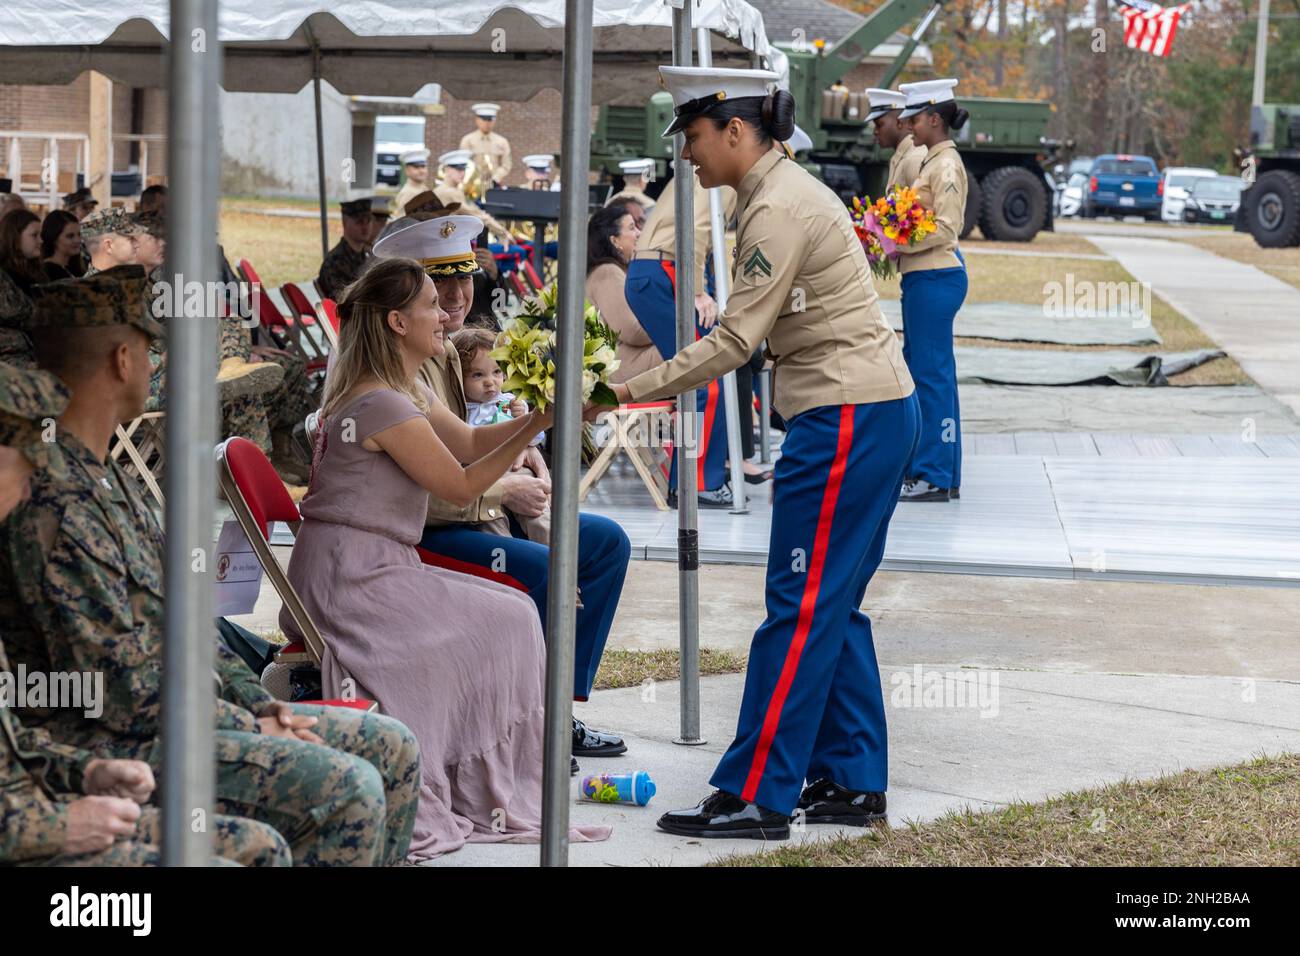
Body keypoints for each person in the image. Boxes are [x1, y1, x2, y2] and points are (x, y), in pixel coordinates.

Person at [595, 65, 919, 839]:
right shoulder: (776, 193)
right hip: (866, 408)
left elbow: (736, 342)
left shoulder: (775, 208)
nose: (689, 157)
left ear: (736, 130)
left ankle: (757, 795)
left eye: (696, 138)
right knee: (831, 603)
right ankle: (849, 777)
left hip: (845, 415)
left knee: (798, 607)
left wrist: (619, 393)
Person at [0, 267, 416, 866]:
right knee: (348, 788)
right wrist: (244, 720)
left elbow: (189, 625)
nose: (156, 366)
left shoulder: (112, 474)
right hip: (114, 739)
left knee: (391, 745)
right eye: (153, 349)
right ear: (123, 359)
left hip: (176, 716)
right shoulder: (53, 500)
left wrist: (261, 703)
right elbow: (117, 687)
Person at [287, 255, 611, 859]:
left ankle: (483, 781)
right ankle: (479, 784)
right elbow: (461, 486)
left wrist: (543, 411)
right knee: (512, 615)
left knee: (510, 606)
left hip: (368, 562)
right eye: (431, 305)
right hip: (351, 575)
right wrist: (544, 415)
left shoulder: (401, 388)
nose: (445, 316)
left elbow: (466, 442)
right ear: (395, 323)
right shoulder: (380, 402)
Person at [0, 361, 291, 867]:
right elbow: (119, 686)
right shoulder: (54, 512)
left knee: (261, 848)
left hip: (42, 796)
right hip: (34, 818)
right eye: (23, 465)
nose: (30, 486)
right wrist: (53, 824)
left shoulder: (108, 478)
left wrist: (84, 775)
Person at [373, 215, 629, 753]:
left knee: (606, 544)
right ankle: (523, 719)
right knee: (544, 568)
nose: (454, 294)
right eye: (436, 283)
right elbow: (427, 483)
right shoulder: (400, 370)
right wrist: (505, 490)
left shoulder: (446, 350)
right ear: (404, 298)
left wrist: (533, 438)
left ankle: (557, 707)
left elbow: (468, 441)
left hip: (469, 512)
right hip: (421, 531)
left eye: (463, 277)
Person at [623, 167, 737, 506]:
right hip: (667, 269)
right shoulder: (725, 173)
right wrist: (698, 290)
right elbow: (699, 229)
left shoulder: (703, 164)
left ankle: (695, 477)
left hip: (653, 270)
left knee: (698, 376)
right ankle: (698, 482)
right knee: (706, 374)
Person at [895, 79, 969, 503]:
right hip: (925, 276)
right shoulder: (931, 160)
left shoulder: (944, 166)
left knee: (930, 377)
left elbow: (946, 227)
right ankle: (943, 471)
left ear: (935, 119)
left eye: (916, 117)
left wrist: (896, 240)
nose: (909, 124)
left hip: (936, 276)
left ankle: (934, 474)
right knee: (933, 374)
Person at [452, 327, 549, 544]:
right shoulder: (459, 410)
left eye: (497, 372)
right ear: (459, 377)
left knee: (540, 515)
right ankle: (509, 559)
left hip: (514, 469)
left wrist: (523, 418)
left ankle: (556, 561)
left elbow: (534, 439)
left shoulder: (510, 403)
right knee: (490, 523)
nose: (490, 382)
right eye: (478, 375)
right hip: (481, 478)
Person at [585, 203, 661, 382]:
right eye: (632, 228)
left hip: (628, 362)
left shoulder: (613, 271)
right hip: (623, 369)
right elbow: (632, 331)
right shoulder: (607, 272)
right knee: (691, 343)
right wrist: (673, 324)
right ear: (615, 241)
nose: (639, 233)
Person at [434, 150, 512, 242]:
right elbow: (476, 215)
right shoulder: (448, 192)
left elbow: (474, 210)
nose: (462, 173)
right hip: (448, 242)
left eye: (464, 169)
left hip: (451, 239)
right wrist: (503, 232)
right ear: (447, 170)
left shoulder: (453, 190)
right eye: (458, 170)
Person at [867, 88, 926, 191]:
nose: (875, 131)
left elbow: (920, 205)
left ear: (900, 122)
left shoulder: (914, 159)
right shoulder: (902, 156)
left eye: (879, 125)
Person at [317, 197, 373, 300]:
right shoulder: (335, 261)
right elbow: (343, 300)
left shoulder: (366, 255)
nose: (365, 227)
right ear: (345, 222)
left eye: (368, 221)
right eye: (359, 222)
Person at [461, 104, 512, 187]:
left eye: (490, 120)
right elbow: (463, 163)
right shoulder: (468, 140)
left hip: (494, 183)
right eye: (483, 120)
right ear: (477, 120)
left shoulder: (502, 141)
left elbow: (506, 164)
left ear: (494, 121)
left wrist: (496, 178)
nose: (487, 124)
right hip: (472, 184)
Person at [0, 209, 44, 298]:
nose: (41, 241)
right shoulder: (5, 276)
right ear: (15, 237)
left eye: (40, 235)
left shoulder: (34, 269)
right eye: (34, 235)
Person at [40, 210, 82, 281]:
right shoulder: (48, 271)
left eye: (79, 234)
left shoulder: (75, 265)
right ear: (54, 238)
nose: (77, 240)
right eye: (70, 236)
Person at [392, 147, 432, 216]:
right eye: (416, 167)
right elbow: (403, 222)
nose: (421, 171)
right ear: (407, 170)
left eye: (423, 166)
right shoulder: (409, 193)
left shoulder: (423, 188)